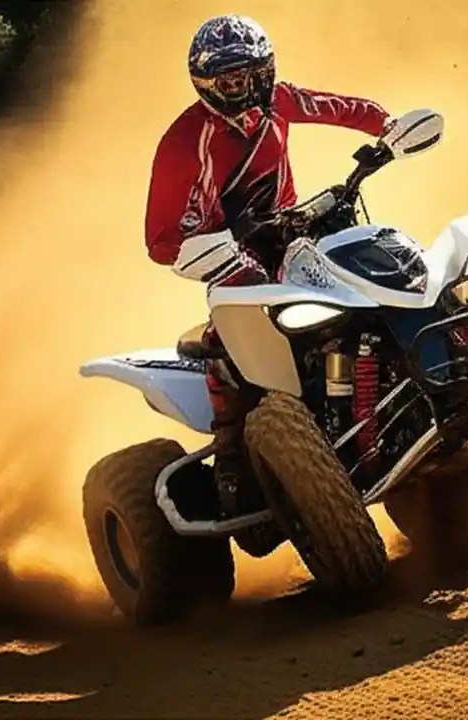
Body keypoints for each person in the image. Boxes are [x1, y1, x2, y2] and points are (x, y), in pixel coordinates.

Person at [143, 14, 391, 528]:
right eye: (231, 81)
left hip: (295, 234)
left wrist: (385, 125)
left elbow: (336, 107)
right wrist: (215, 248)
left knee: (378, 270)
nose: (245, 89)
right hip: (229, 257)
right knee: (231, 344)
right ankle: (233, 460)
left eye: (254, 75)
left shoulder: (279, 100)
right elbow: (160, 240)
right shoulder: (182, 142)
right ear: (206, 85)